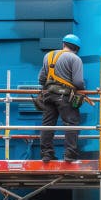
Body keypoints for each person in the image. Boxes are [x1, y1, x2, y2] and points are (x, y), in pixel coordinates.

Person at [38, 34, 85, 163]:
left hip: (48, 95)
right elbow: (78, 82)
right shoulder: (75, 59)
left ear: (63, 44)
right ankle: (70, 154)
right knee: (71, 124)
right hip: (65, 97)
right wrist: (83, 89)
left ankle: (46, 154)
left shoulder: (48, 56)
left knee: (47, 125)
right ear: (77, 48)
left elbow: (41, 78)